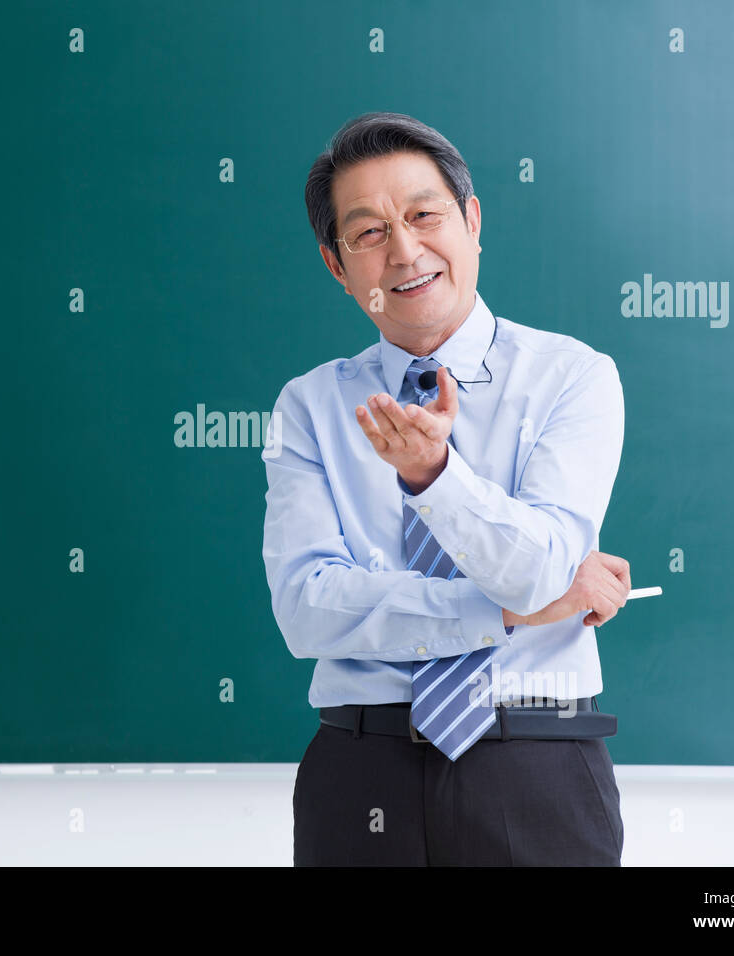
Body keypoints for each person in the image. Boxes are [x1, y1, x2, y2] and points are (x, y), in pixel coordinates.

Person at [261, 112, 631, 866]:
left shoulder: (574, 377)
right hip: (360, 770)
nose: (404, 250)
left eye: (425, 216)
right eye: (368, 233)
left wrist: (435, 479)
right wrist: (500, 611)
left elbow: (541, 568)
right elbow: (307, 611)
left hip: (537, 767)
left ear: (471, 221)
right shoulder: (311, 405)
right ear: (337, 266)